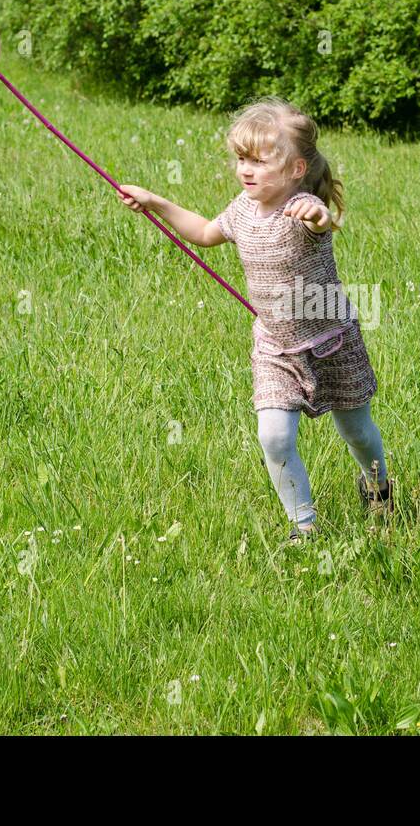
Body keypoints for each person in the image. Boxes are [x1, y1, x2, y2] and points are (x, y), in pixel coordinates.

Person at [115, 96, 392, 545]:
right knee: (274, 436)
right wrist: (155, 202)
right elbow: (207, 233)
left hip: (331, 341)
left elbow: (322, 223)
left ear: (296, 170)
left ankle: (378, 489)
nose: (246, 169)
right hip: (275, 347)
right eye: (241, 158)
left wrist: (318, 214)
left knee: (357, 432)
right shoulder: (243, 209)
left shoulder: (301, 209)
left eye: (260, 161)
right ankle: (305, 527)